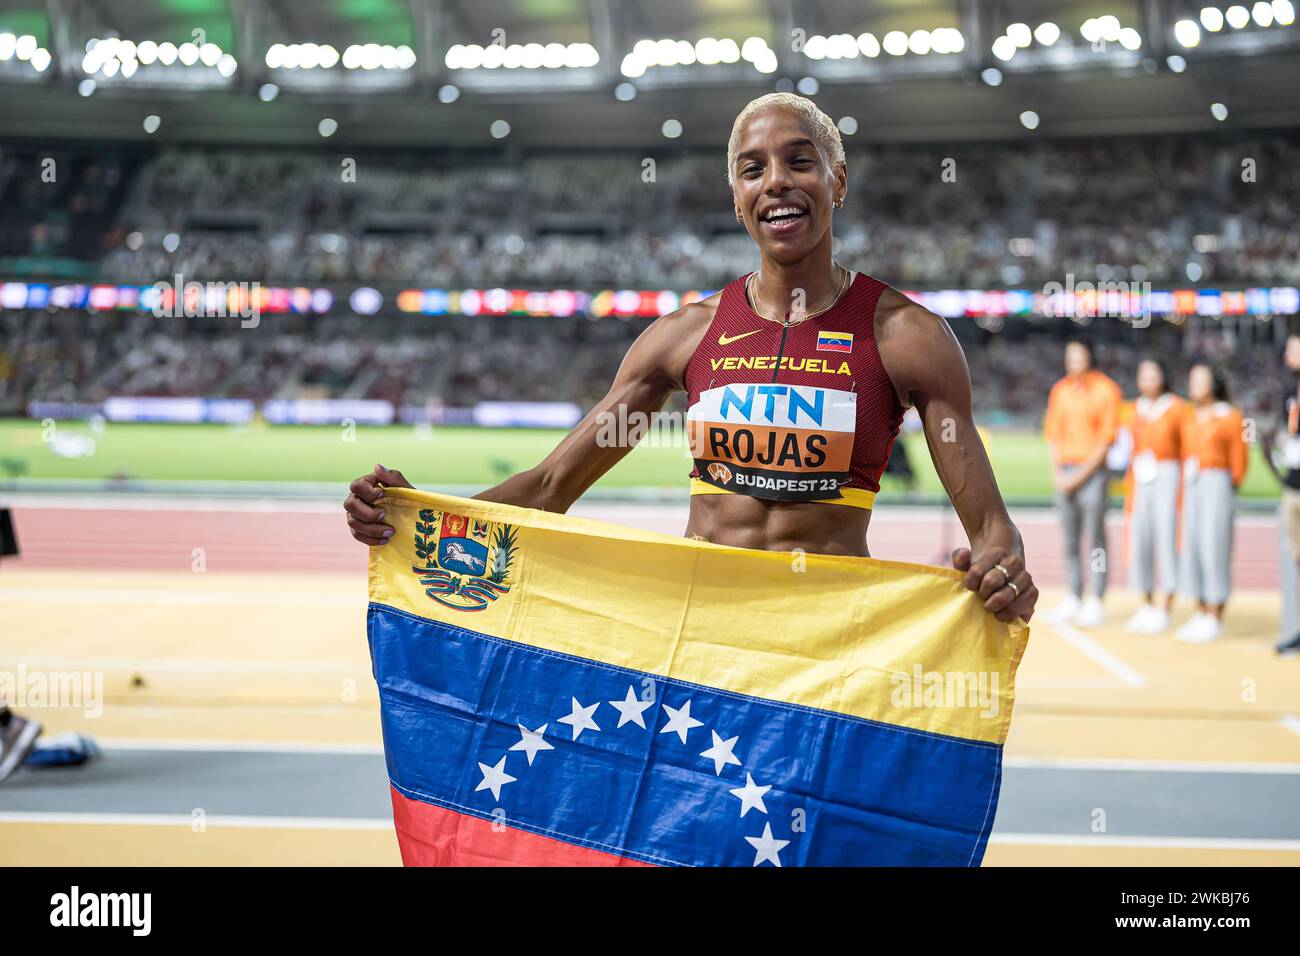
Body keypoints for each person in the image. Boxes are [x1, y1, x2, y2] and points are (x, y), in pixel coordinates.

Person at [344, 92, 1038, 625]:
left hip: (827, 638)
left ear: (838, 181)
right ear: (737, 200)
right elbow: (550, 486)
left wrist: (1003, 563)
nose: (777, 183)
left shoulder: (907, 335)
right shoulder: (684, 335)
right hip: (700, 634)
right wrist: (422, 519)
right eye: (752, 169)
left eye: (801, 161)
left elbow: (991, 528)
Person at [1043, 340, 1123, 627]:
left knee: (1095, 538)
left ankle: (1096, 598)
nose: (1072, 360)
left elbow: (1106, 441)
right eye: (1069, 355)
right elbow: (1053, 435)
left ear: (1090, 357)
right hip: (1064, 472)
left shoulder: (1106, 390)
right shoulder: (1060, 390)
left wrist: (1077, 476)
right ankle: (1074, 594)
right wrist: (1058, 474)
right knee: (1070, 539)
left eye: (1078, 355)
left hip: (1093, 474)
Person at [1176, 363, 1248, 644]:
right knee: (1193, 544)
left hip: (1217, 481)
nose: (1194, 385)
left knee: (1214, 546)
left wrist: (1229, 485)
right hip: (1192, 481)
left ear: (1213, 384)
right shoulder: (1190, 417)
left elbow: (1239, 458)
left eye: (1200, 380)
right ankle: (1200, 609)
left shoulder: (1230, 416)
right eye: (1192, 379)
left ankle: (1216, 613)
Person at [1123, 357, 1185, 634]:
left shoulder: (1177, 409)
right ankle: (1146, 602)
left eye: (1152, 374)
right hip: (1140, 474)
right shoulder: (1132, 409)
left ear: (1163, 377)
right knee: (1141, 537)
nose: (1147, 380)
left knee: (1166, 536)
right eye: (1143, 374)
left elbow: (1187, 447)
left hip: (1167, 473)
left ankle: (1166, 604)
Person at [1264, 332, 1300, 656]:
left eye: (1294, 347)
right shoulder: (1290, 392)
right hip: (1293, 487)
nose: (1289, 353)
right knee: (1297, 559)